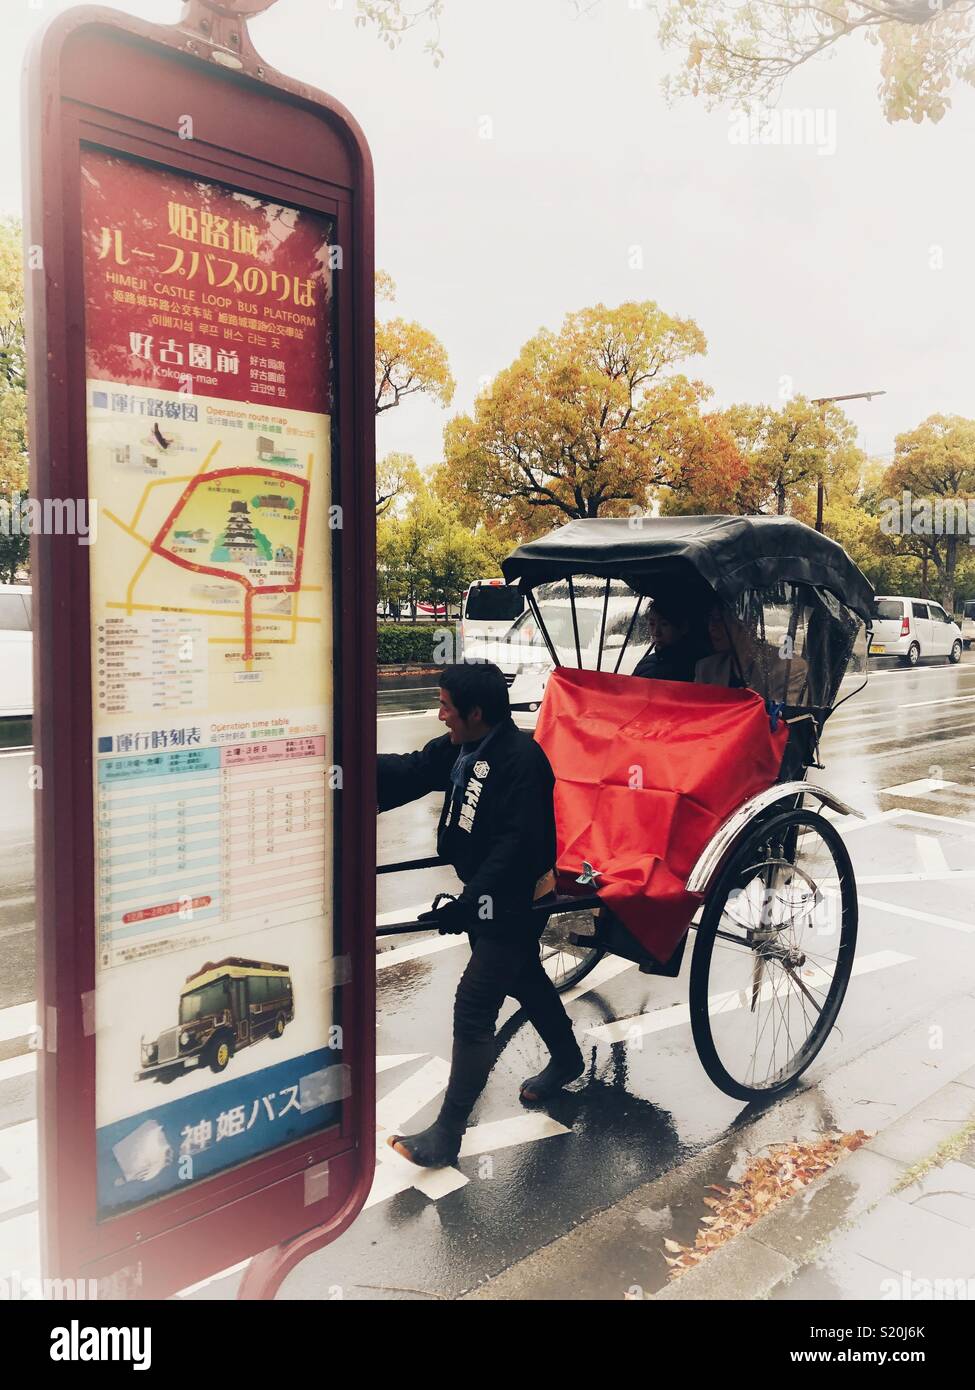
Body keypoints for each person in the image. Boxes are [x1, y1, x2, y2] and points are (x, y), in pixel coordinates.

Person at [377, 662, 583, 1168]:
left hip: (516, 896)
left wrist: (473, 903)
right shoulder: (462, 749)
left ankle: (448, 1132)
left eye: (446, 705)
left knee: (475, 1003)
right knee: (526, 979)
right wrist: (345, 768)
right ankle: (569, 1058)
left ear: (474, 711)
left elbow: (519, 846)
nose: (439, 713)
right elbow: (410, 771)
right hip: (485, 892)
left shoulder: (521, 760)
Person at [694, 603, 809, 703]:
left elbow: (781, 720)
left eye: (719, 619)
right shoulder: (706, 669)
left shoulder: (787, 668)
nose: (711, 627)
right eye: (710, 619)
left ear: (747, 623)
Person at [632, 596, 709, 683]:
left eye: (664, 624)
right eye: (652, 624)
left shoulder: (698, 669)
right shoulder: (644, 664)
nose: (656, 632)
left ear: (683, 627)